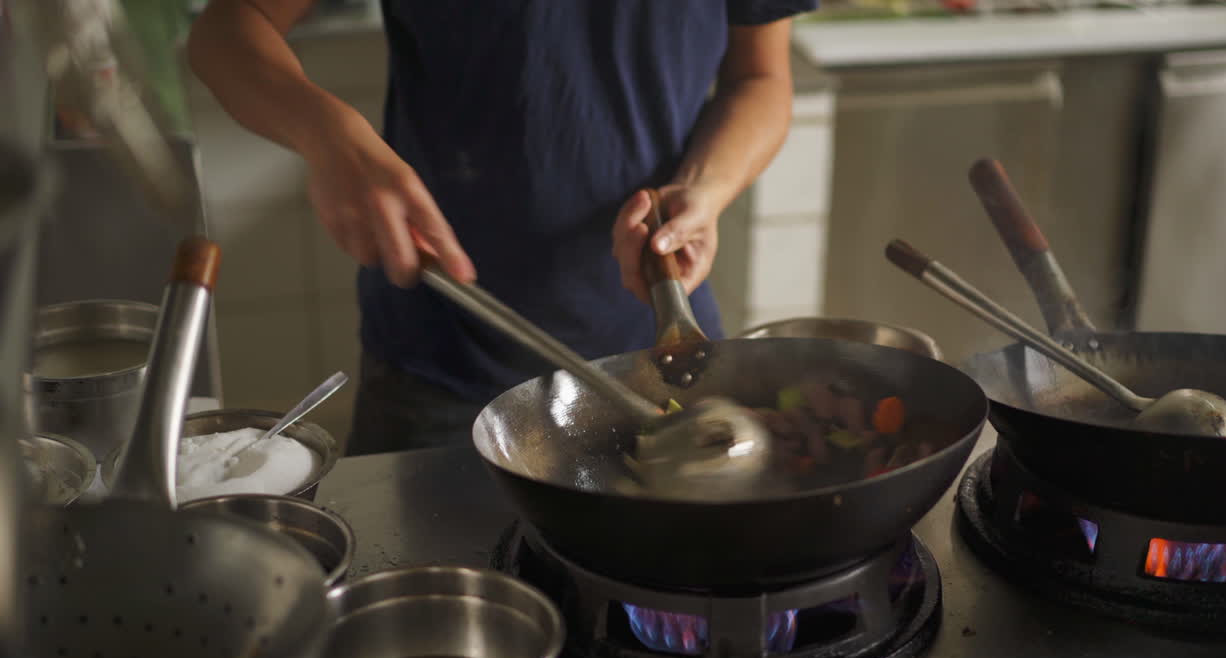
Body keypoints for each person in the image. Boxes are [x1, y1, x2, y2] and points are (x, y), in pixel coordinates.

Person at [188, 0, 816, 455]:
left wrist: (704, 190)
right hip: (441, 368)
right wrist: (327, 134)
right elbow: (229, 29)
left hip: (659, 355)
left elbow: (760, 77)